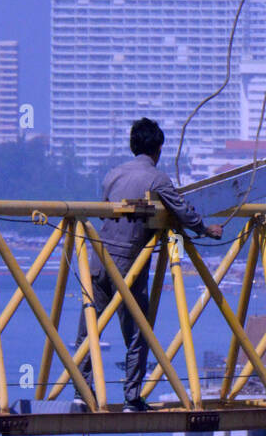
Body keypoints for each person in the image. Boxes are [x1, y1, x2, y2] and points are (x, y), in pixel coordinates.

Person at [72, 118, 222, 412]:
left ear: (133, 145)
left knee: (89, 328)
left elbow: (104, 211)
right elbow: (182, 210)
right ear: (158, 149)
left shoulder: (113, 175)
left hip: (98, 258)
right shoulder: (158, 179)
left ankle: (82, 393)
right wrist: (205, 229)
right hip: (130, 261)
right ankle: (131, 397)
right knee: (138, 331)